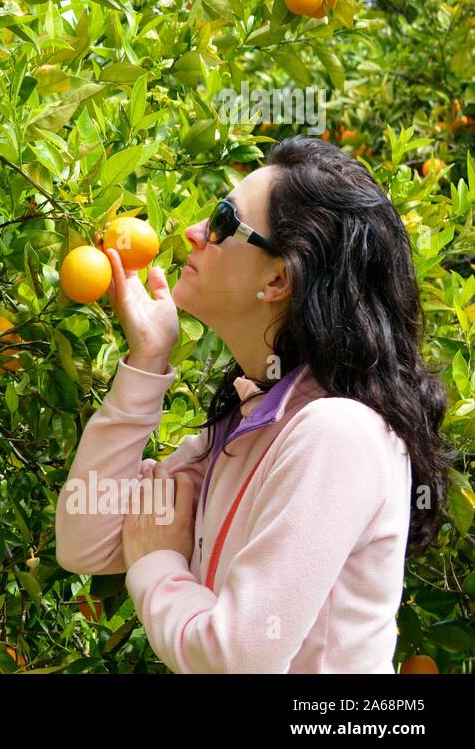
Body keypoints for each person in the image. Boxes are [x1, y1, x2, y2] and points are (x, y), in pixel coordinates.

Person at [54, 135, 455, 673]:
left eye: (223, 220)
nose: (195, 233)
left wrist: (156, 561)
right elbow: (85, 540)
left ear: (279, 278)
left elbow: (236, 656)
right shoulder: (248, 424)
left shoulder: (339, 434)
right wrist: (148, 360)